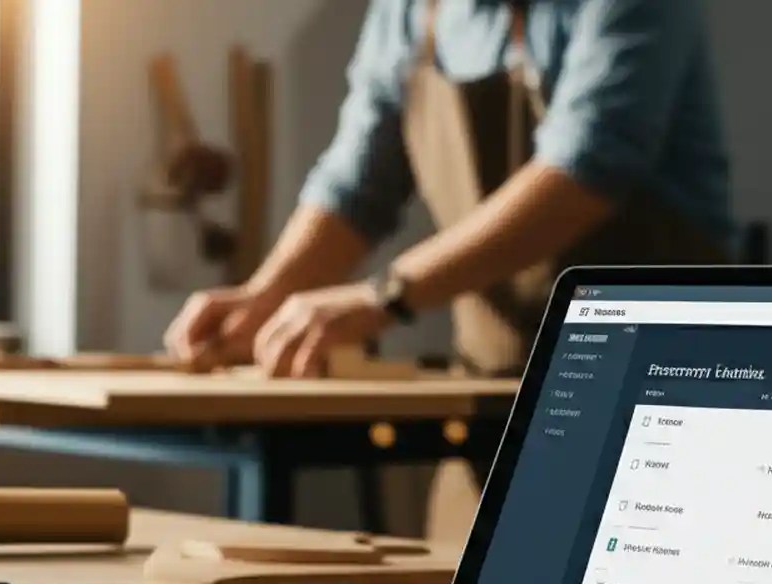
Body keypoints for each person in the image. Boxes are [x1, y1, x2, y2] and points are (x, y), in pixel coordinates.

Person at [165, 0, 733, 379]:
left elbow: (586, 169)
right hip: (489, 387)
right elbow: (356, 186)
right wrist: (266, 297)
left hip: (656, 378)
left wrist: (383, 297)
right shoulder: (412, 11)